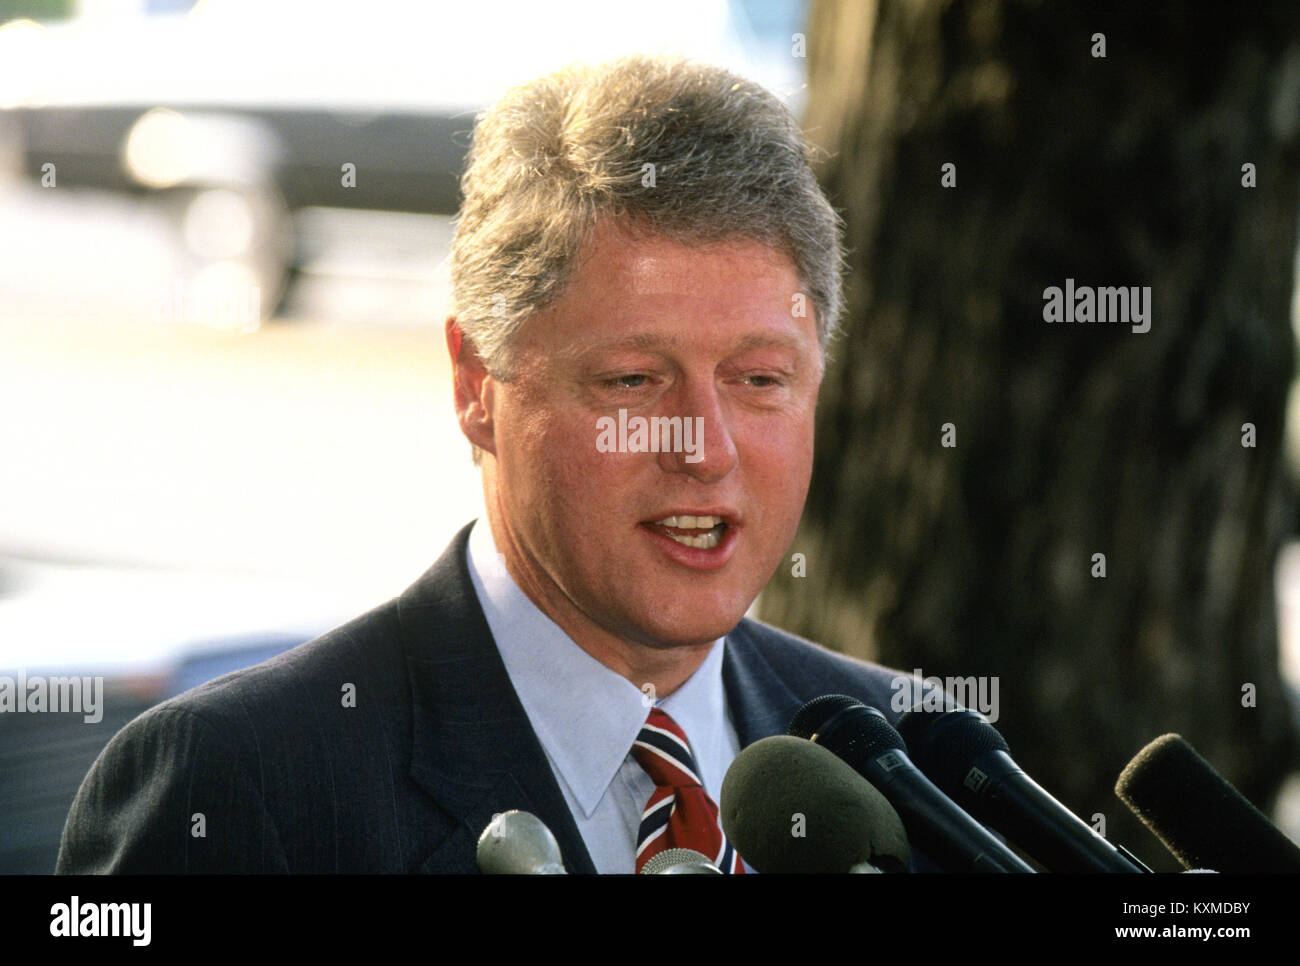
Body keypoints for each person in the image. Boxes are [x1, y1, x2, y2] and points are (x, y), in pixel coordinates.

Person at [57, 54, 917, 874]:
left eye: (760, 379)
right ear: (477, 385)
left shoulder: (913, 762)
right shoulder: (242, 785)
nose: (705, 447)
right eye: (632, 380)